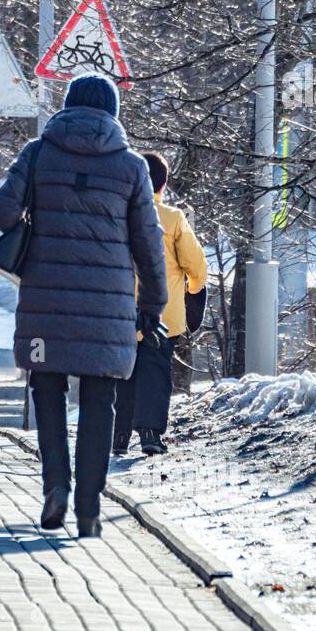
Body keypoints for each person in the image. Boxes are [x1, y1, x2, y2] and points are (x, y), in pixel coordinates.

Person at [0, 73, 167, 538]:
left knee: (46, 390)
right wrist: (153, 301)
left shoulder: (38, 152)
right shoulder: (132, 167)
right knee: (99, 397)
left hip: (46, 295)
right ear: (112, 113)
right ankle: (89, 508)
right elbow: (148, 241)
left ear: (66, 106)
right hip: (107, 305)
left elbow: (0, 212)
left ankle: (56, 489)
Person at [113, 152, 209, 457]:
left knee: (123, 373)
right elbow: (197, 268)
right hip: (163, 315)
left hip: (121, 313)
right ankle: (150, 434)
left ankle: (117, 436)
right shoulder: (173, 218)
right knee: (155, 373)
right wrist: (192, 290)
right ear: (163, 185)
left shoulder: (118, 214)